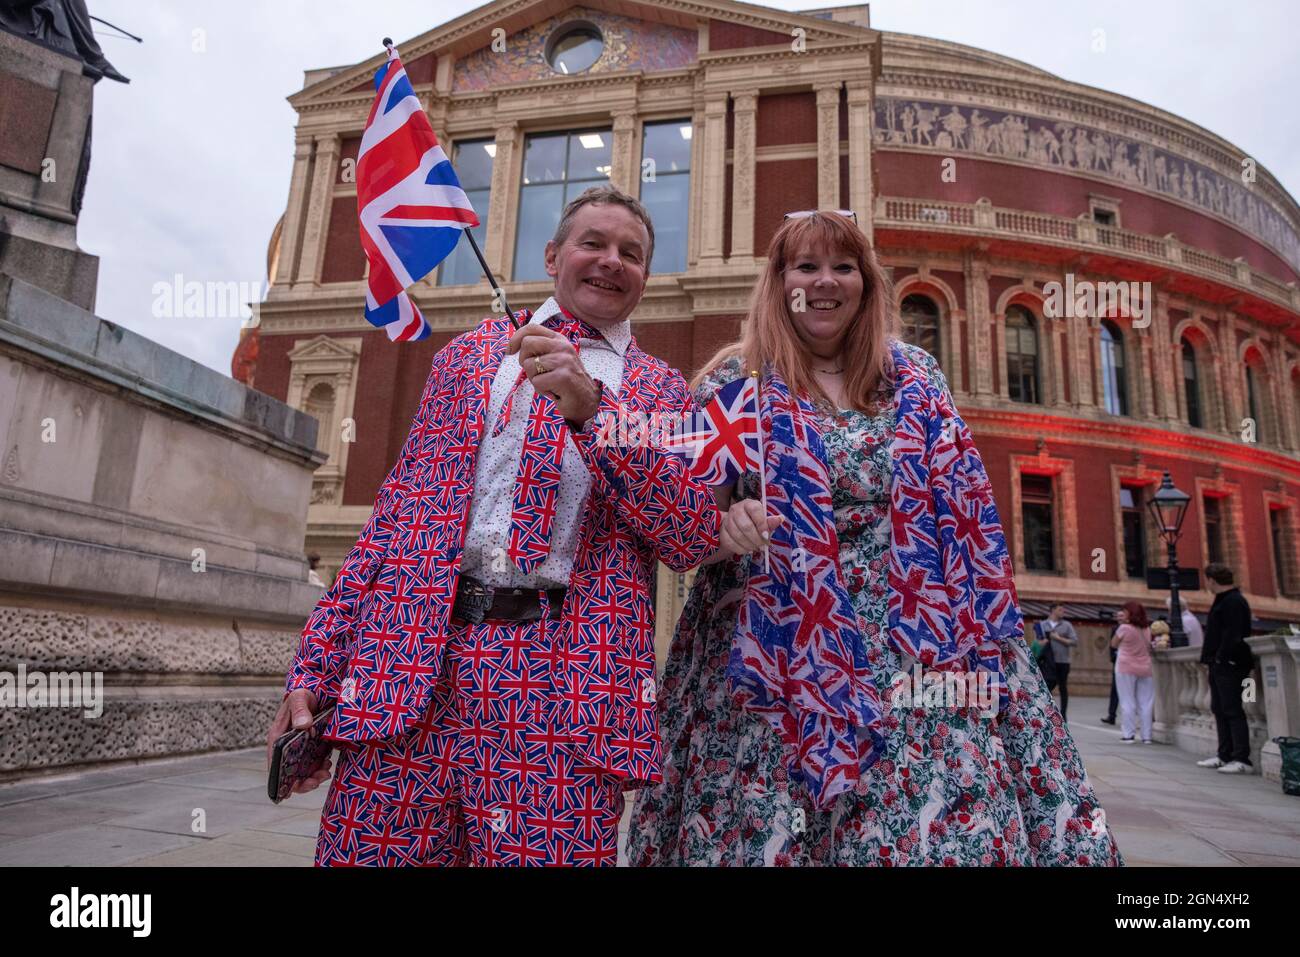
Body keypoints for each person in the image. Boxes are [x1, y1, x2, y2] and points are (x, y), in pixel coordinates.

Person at [626, 210, 1120, 866]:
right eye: (805, 266)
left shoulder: (915, 377)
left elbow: (960, 512)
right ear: (779, 282)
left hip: (918, 653)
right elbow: (692, 528)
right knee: (771, 831)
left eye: (843, 265)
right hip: (775, 655)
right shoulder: (732, 384)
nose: (824, 281)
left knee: (916, 829)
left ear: (865, 282)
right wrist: (727, 527)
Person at [266, 185, 721, 866]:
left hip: (560, 690)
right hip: (414, 668)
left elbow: (689, 535)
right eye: (593, 242)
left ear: (645, 278)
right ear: (552, 254)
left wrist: (593, 410)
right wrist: (319, 660)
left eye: (631, 252)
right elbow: (396, 521)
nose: (611, 261)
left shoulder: (658, 389)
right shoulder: (468, 360)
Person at [1197, 563, 1255, 773]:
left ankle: (1241, 759)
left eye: (1208, 580)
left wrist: (1222, 658)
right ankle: (1224, 754)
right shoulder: (1224, 600)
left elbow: (1234, 633)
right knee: (1219, 709)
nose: (1207, 584)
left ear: (1212, 580)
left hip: (1231, 664)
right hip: (1219, 663)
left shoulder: (1234, 601)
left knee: (1232, 709)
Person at [1110, 602, 1154, 743]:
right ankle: (1147, 736)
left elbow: (1113, 644)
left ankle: (1128, 734)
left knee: (1127, 700)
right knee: (1146, 702)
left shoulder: (1124, 628)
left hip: (1126, 666)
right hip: (1146, 667)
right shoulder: (1147, 629)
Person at [1040, 603, 1079, 718]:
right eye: (1060, 610)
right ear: (1053, 610)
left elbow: (1074, 641)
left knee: (1063, 687)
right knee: (1047, 687)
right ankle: (1049, 712)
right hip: (1047, 661)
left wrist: (1058, 638)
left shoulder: (1066, 625)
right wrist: (1041, 643)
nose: (1063, 612)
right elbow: (1037, 641)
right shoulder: (1043, 624)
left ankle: (1063, 714)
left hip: (1062, 661)